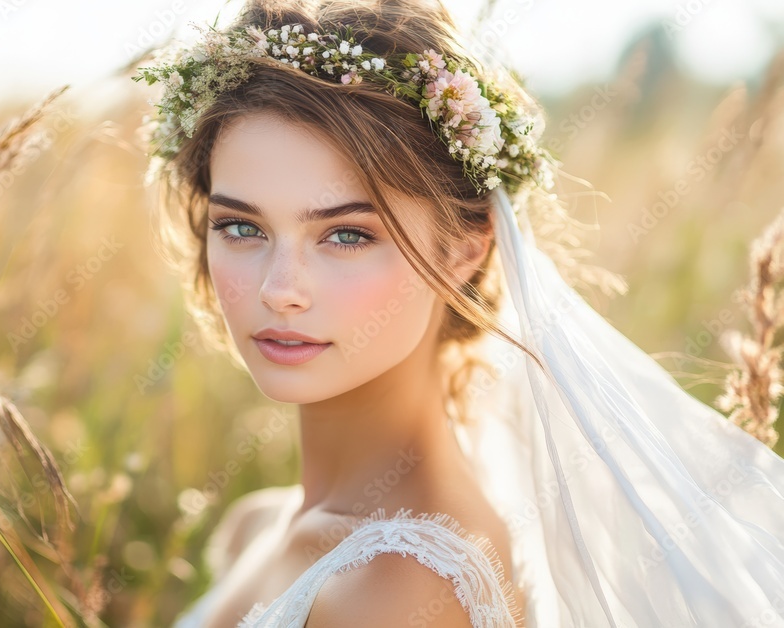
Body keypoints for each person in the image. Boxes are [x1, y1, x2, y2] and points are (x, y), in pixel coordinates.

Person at [131, 0, 784, 626]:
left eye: (348, 235)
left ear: (461, 256)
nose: (280, 289)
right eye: (242, 227)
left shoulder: (401, 588)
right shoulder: (259, 523)